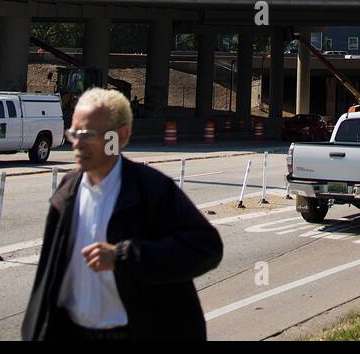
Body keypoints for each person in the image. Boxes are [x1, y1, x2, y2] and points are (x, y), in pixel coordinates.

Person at [22, 88, 223, 340]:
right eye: (74, 133)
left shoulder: (151, 190)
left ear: (120, 136)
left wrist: (124, 257)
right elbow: (48, 278)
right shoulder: (67, 192)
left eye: (88, 135)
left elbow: (207, 248)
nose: (77, 144)